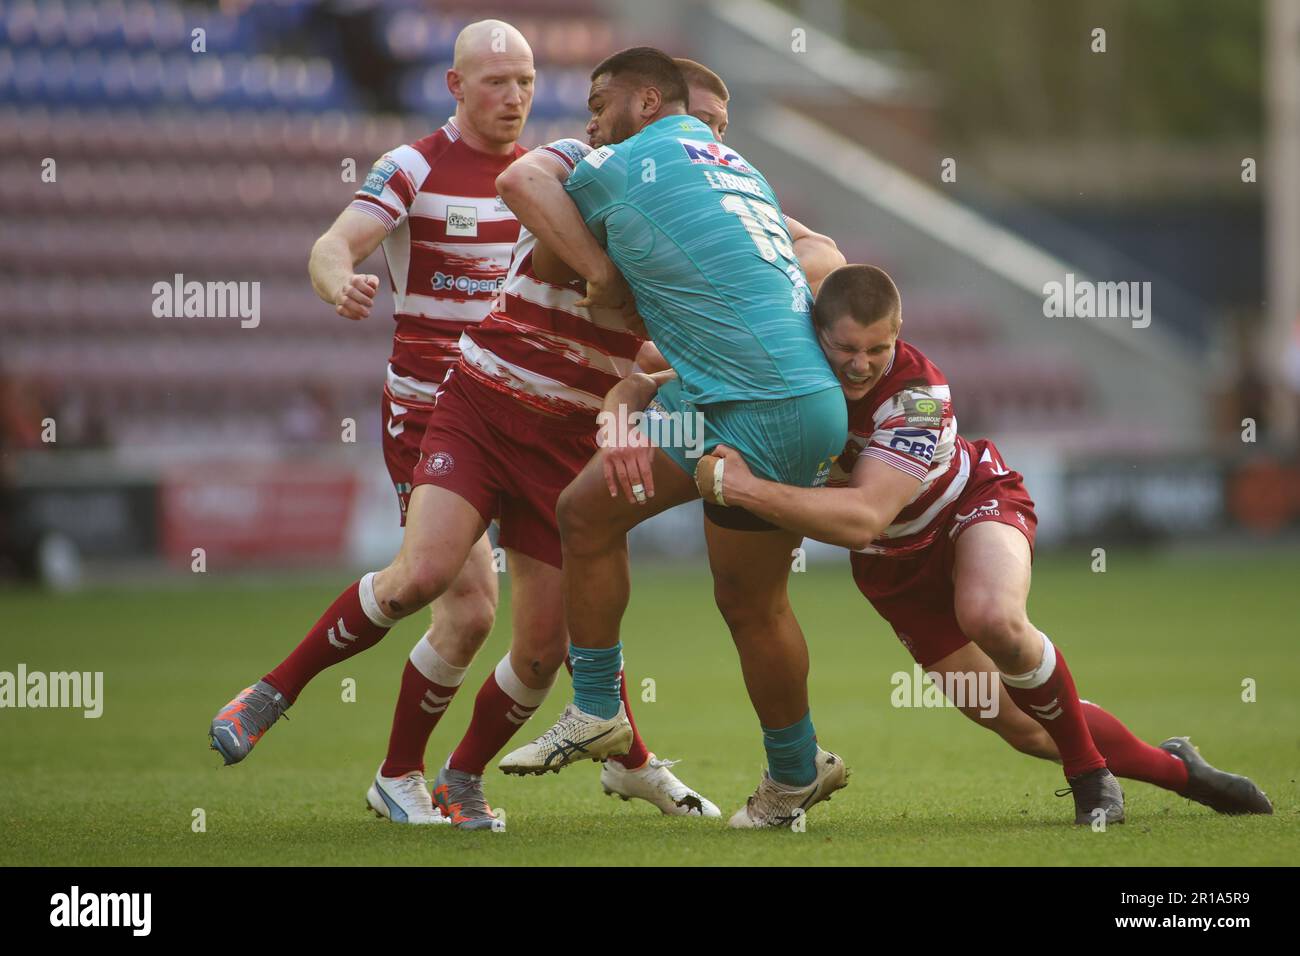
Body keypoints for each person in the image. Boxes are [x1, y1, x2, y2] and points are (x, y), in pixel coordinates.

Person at [207, 22, 712, 828]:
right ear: (455, 86)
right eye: (496, 81)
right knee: (455, 594)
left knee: (542, 637)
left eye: (525, 81)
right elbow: (336, 243)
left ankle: (547, 764)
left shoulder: (574, 180)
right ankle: (300, 711)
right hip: (440, 403)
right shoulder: (420, 165)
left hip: (554, 418)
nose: (514, 97)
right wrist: (339, 279)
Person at [677, 264, 1272, 823]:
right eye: (846, 348)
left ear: (897, 336)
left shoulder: (917, 397)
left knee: (992, 617)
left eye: (877, 350)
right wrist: (637, 391)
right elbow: (687, 358)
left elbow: (860, 518)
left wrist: (745, 490)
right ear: (816, 333)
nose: (860, 365)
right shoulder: (790, 364)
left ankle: (1090, 775)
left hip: (969, 509)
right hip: (895, 570)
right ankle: (1183, 773)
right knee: (1024, 726)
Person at [493, 47, 851, 828]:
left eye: (600, 101)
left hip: (768, 409)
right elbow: (825, 253)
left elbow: (519, 182)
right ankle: (599, 711)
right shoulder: (734, 168)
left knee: (750, 604)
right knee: (586, 513)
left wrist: (602, 272)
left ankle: (793, 775)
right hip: (740, 394)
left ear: (647, 100)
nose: (591, 120)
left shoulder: (628, 159)